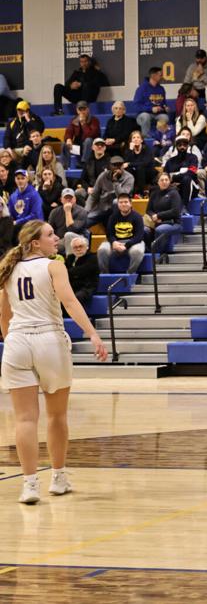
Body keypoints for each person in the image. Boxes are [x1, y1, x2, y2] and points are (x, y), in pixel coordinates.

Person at [0, 221, 107, 504]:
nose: (56, 238)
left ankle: (29, 485)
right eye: (50, 235)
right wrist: (93, 334)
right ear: (35, 243)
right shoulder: (53, 266)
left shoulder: (9, 269)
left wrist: (11, 340)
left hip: (16, 342)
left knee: (24, 419)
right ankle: (58, 478)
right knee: (56, 416)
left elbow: (4, 316)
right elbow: (71, 303)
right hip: (48, 340)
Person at [98, 194, 145, 274]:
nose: (123, 204)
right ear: (118, 204)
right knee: (102, 250)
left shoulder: (137, 217)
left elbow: (139, 236)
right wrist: (113, 242)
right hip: (116, 242)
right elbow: (109, 234)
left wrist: (126, 245)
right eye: (121, 202)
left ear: (130, 203)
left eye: (126, 202)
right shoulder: (112, 217)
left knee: (137, 251)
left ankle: (130, 274)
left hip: (132, 242)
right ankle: (105, 274)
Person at [48, 188, 88, 255]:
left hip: (79, 239)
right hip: (60, 240)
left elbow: (72, 229)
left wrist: (67, 211)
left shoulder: (82, 211)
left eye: (71, 198)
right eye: (66, 198)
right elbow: (50, 230)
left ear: (75, 199)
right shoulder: (54, 212)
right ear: (61, 200)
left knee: (68, 235)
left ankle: (70, 261)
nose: (68, 200)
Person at [62, 101, 100, 166]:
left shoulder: (94, 120)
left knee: (88, 140)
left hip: (90, 147)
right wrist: (68, 139)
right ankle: (65, 165)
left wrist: (83, 124)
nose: (82, 111)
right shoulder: (74, 120)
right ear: (77, 111)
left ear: (88, 109)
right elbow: (69, 131)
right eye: (80, 109)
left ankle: (84, 163)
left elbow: (92, 134)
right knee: (64, 144)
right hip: (78, 147)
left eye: (84, 109)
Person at [65, 235, 98, 309]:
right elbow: (64, 272)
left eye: (81, 246)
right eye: (75, 247)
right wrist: (72, 272)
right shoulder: (70, 258)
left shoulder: (93, 257)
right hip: (72, 286)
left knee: (77, 297)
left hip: (87, 287)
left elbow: (83, 270)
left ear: (87, 247)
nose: (78, 249)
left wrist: (70, 272)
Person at [134, 67, 169, 133]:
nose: (162, 77)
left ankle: (161, 138)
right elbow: (136, 106)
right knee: (145, 116)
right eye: (160, 75)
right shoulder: (142, 88)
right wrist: (151, 109)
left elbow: (163, 103)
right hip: (143, 115)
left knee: (165, 117)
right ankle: (145, 137)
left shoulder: (161, 89)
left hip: (158, 114)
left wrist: (165, 107)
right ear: (153, 75)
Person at [8, 170, 43, 236]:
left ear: (27, 179)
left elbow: (35, 215)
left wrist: (17, 222)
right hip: (18, 226)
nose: (20, 181)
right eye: (18, 178)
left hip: (34, 226)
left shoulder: (34, 194)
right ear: (15, 180)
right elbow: (11, 215)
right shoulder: (13, 196)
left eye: (22, 178)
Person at [123, 130, 156, 197]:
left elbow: (145, 163)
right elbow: (125, 163)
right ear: (131, 141)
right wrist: (130, 150)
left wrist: (130, 164)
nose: (136, 139)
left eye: (138, 137)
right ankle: (130, 193)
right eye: (134, 138)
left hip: (148, 173)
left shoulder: (147, 149)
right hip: (134, 174)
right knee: (129, 170)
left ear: (141, 140)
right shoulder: (129, 150)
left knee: (140, 168)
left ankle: (142, 193)